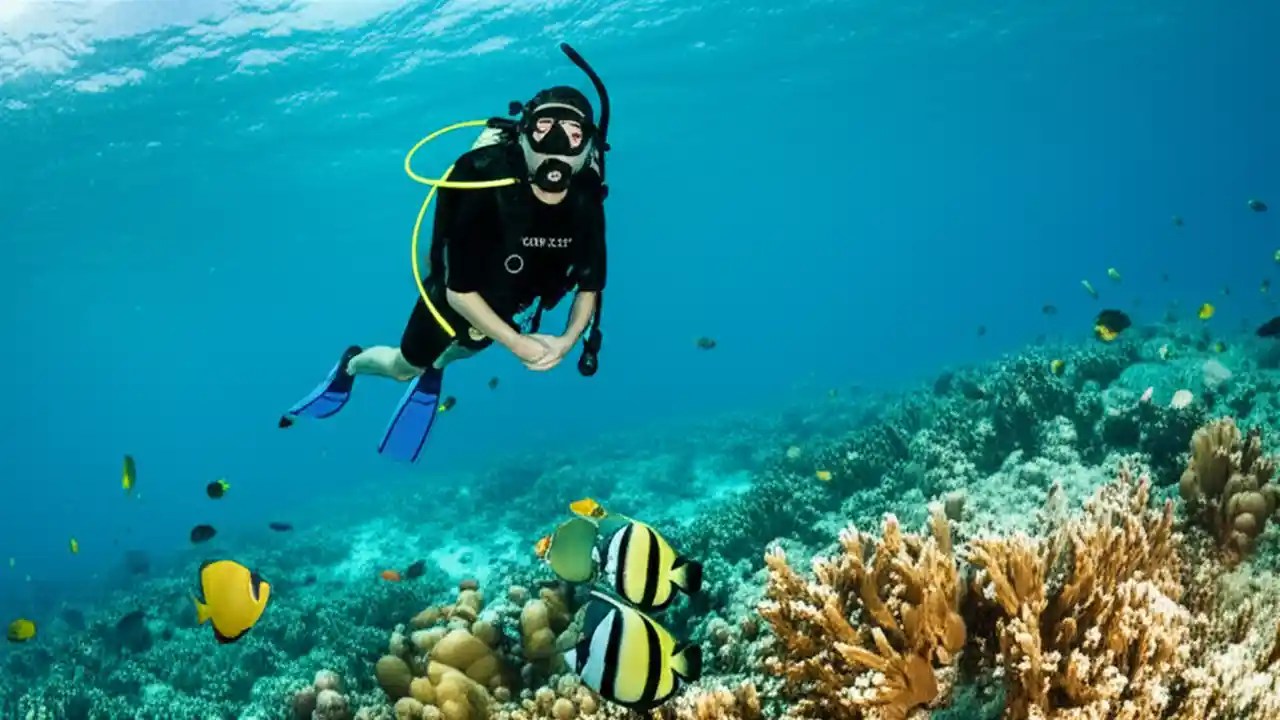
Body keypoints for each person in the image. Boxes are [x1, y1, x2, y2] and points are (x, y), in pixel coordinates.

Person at [279, 74, 610, 463]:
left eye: (573, 133)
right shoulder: (482, 177)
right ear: (522, 135)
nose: (556, 146)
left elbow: (590, 285)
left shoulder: (586, 195)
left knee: (467, 347)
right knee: (405, 367)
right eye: (543, 128)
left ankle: (439, 362)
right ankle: (351, 362)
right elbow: (460, 291)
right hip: (456, 294)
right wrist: (518, 343)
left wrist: (568, 340)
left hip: (509, 303)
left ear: (588, 147)